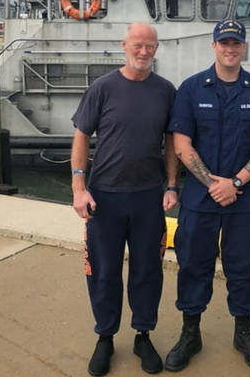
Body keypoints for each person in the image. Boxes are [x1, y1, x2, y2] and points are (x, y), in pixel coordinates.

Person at [164, 19, 250, 371]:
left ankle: (243, 332)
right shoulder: (191, 89)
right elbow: (181, 143)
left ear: (244, 47)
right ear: (214, 46)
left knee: (246, 265)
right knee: (192, 264)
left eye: (236, 43)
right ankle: (190, 333)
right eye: (224, 43)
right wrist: (212, 183)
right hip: (199, 200)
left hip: (245, 200)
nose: (230, 49)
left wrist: (235, 183)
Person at [71, 22, 180, 376]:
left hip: (149, 197)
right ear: (124, 45)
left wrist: (172, 185)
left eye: (151, 46)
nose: (144, 51)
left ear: (156, 49)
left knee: (148, 271)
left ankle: (142, 334)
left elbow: (171, 143)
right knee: (103, 272)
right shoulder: (102, 88)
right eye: (138, 44)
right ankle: (105, 336)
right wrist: (78, 188)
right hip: (105, 198)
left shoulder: (166, 91)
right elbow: (82, 136)